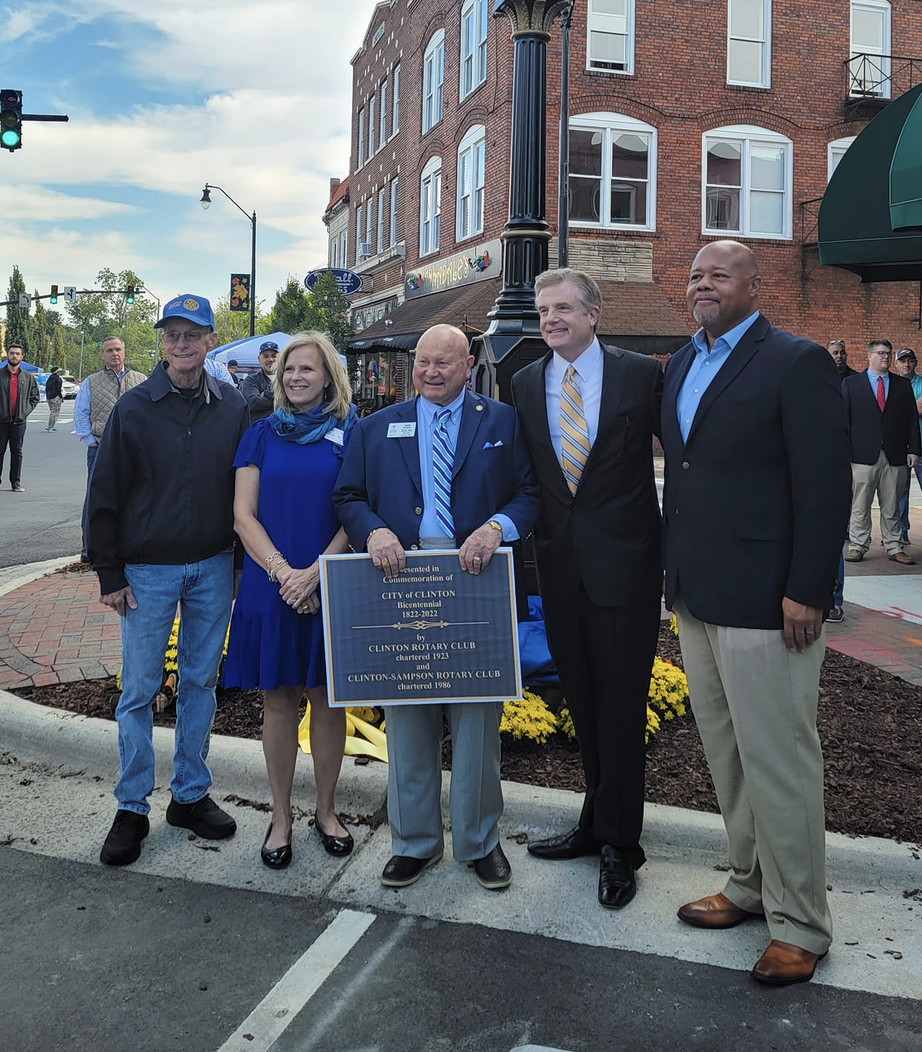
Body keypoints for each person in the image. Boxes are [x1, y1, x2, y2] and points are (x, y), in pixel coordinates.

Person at [661, 240, 851, 986]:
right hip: (698, 597)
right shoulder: (682, 363)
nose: (701, 282)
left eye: (717, 273)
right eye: (694, 274)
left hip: (772, 603)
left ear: (753, 283)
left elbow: (824, 487)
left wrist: (810, 587)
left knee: (781, 762)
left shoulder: (795, 361)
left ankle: (801, 922)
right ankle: (748, 885)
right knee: (728, 757)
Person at [334, 324, 539, 891]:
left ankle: (479, 843)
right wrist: (372, 531)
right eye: (422, 361)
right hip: (401, 581)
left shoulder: (502, 422)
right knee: (408, 719)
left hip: (476, 581)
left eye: (443, 363)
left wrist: (498, 527)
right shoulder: (375, 428)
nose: (429, 372)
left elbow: (529, 495)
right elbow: (348, 496)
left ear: (468, 364)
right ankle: (414, 842)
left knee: (477, 722)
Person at [510, 268, 663, 912]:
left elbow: (683, 456)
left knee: (623, 708)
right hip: (562, 574)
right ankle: (594, 824)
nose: (551, 319)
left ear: (593, 314)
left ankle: (622, 849)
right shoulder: (522, 383)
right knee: (584, 704)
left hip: (626, 571)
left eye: (564, 308)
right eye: (544, 310)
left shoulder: (640, 375)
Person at [87, 294, 249, 867]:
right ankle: (132, 806)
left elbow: (244, 492)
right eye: (172, 335)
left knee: (201, 683)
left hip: (211, 567)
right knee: (138, 691)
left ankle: (190, 795)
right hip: (147, 573)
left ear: (210, 339)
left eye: (193, 334)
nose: (182, 345)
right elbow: (104, 493)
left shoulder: (233, 406)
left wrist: (238, 564)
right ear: (164, 342)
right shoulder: (133, 409)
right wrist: (108, 569)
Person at [223, 332, 356, 868]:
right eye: (290, 370)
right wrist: (285, 575)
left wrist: (316, 575)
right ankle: (280, 816)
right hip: (269, 583)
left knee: (327, 700)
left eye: (308, 369)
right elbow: (242, 516)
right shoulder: (258, 436)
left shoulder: (352, 434)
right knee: (278, 701)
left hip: (331, 581)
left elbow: (357, 509)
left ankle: (325, 810)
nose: (297, 377)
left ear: (329, 378)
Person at [842, 339, 920, 566]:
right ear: (869, 356)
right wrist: (844, 451)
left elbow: (911, 421)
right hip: (862, 455)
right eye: (880, 353)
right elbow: (844, 420)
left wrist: (914, 449)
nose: (885, 357)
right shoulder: (851, 384)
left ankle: (894, 545)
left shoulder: (902, 385)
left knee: (892, 504)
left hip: (895, 455)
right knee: (860, 504)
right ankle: (858, 545)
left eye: (888, 353)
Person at [74, 337, 146, 558]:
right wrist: (91, 442)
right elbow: (81, 414)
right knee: (96, 498)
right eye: (109, 351)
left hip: (133, 449)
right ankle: (90, 547)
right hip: (100, 447)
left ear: (124, 352)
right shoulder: (91, 382)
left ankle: (129, 543)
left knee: (135, 496)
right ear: (102, 355)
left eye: (118, 349)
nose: (114, 354)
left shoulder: (141, 380)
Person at [0, 344, 40, 491]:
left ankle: (15, 482)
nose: (14, 356)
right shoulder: (0, 375)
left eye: (17, 354)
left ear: (21, 357)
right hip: (1, 421)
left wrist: (24, 412)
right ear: (7, 355)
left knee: (17, 452)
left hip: (19, 421)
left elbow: (35, 397)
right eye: (12, 353)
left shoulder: (28, 377)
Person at [893, 348, 922, 545]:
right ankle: (901, 532)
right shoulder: (892, 384)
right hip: (900, 445)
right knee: (900, 492)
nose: (906, 364)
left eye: (910, 360)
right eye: (902, 361)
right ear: (896, 363)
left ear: (915, 363)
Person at [242, 341, 280, 421]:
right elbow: (252, 403)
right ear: (259, 359)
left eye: (274, 356)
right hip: (261, 430)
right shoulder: (252, 380)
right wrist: (281, 399)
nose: (270, 359)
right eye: (265, 356)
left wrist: (265, 394)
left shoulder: (287, 378)